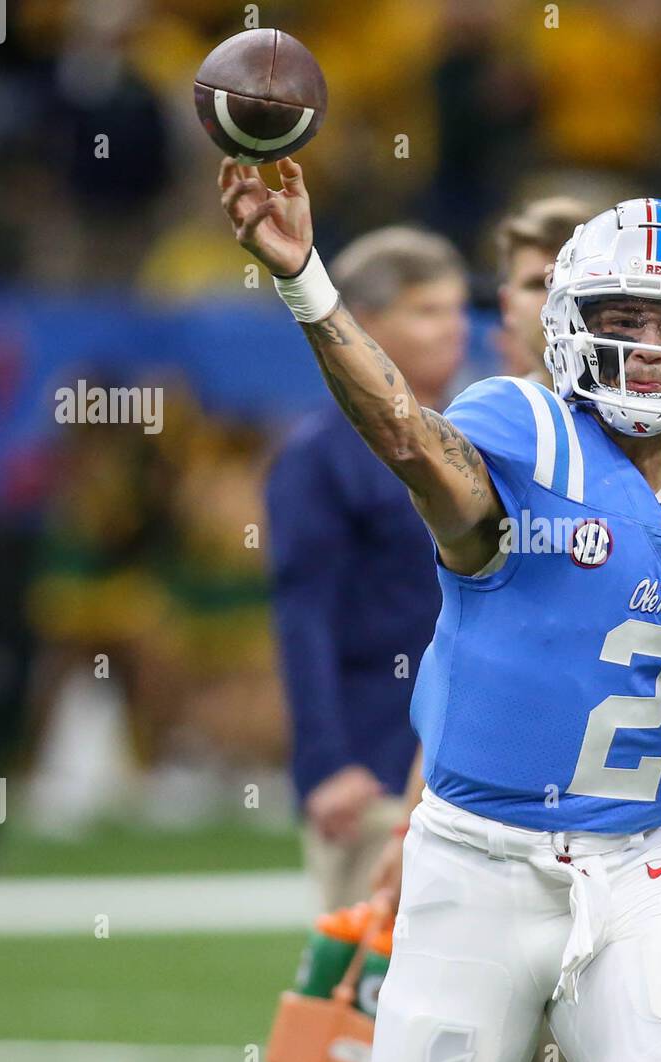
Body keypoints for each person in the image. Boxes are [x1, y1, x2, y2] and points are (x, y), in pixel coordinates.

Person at [222, 160, 661, 1062]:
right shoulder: (523, 425)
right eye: (624, 319)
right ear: (572, 325)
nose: (652, 347)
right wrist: (306, 278)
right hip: (476, 865)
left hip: (636, 870)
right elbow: (404, 433)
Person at [265, 227, 469, 911]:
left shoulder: (482, 431)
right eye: (427, 310)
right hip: (376, 766)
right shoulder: (322, 453)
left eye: (456, 307)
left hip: (473, 764)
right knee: (372, 999)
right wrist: (326, 763)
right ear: (367, 324)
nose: (454, 327)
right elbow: (304, 611)